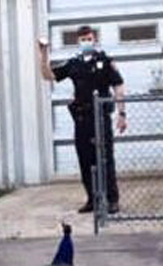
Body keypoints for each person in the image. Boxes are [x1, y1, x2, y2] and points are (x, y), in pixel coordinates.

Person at [39, 25, 127, 214]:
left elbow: (118, 86)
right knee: (85, 160)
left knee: (105, 159)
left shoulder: (104, 61)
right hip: (82, 118)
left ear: (94, 39)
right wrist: (44, 53)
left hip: (101, 117)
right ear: (77, 41)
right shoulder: (74, 63)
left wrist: (122, 114)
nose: (86, 42)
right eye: (82, 39)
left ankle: (112, 200)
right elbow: (49, 75)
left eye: (89, 38)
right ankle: (92, 199)